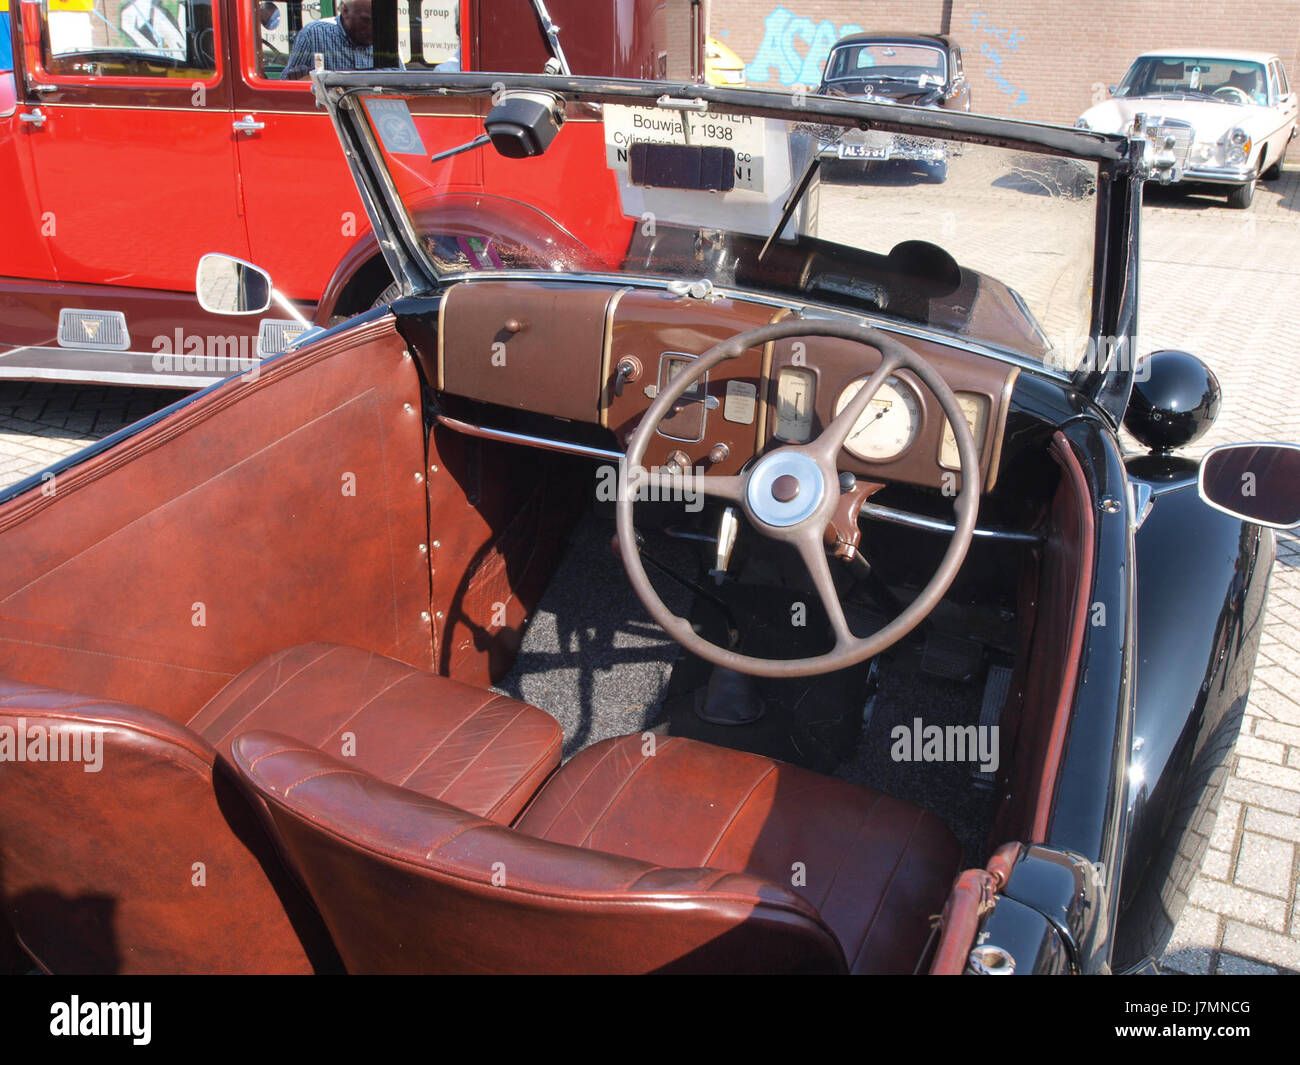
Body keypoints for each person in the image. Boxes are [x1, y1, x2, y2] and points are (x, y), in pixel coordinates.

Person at [282, 0, 373, 79]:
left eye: (380, 20)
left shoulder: (385, 39)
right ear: (345, 11)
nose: (374, 28)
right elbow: (287, 82)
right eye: (366, 20)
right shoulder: (314, 34)